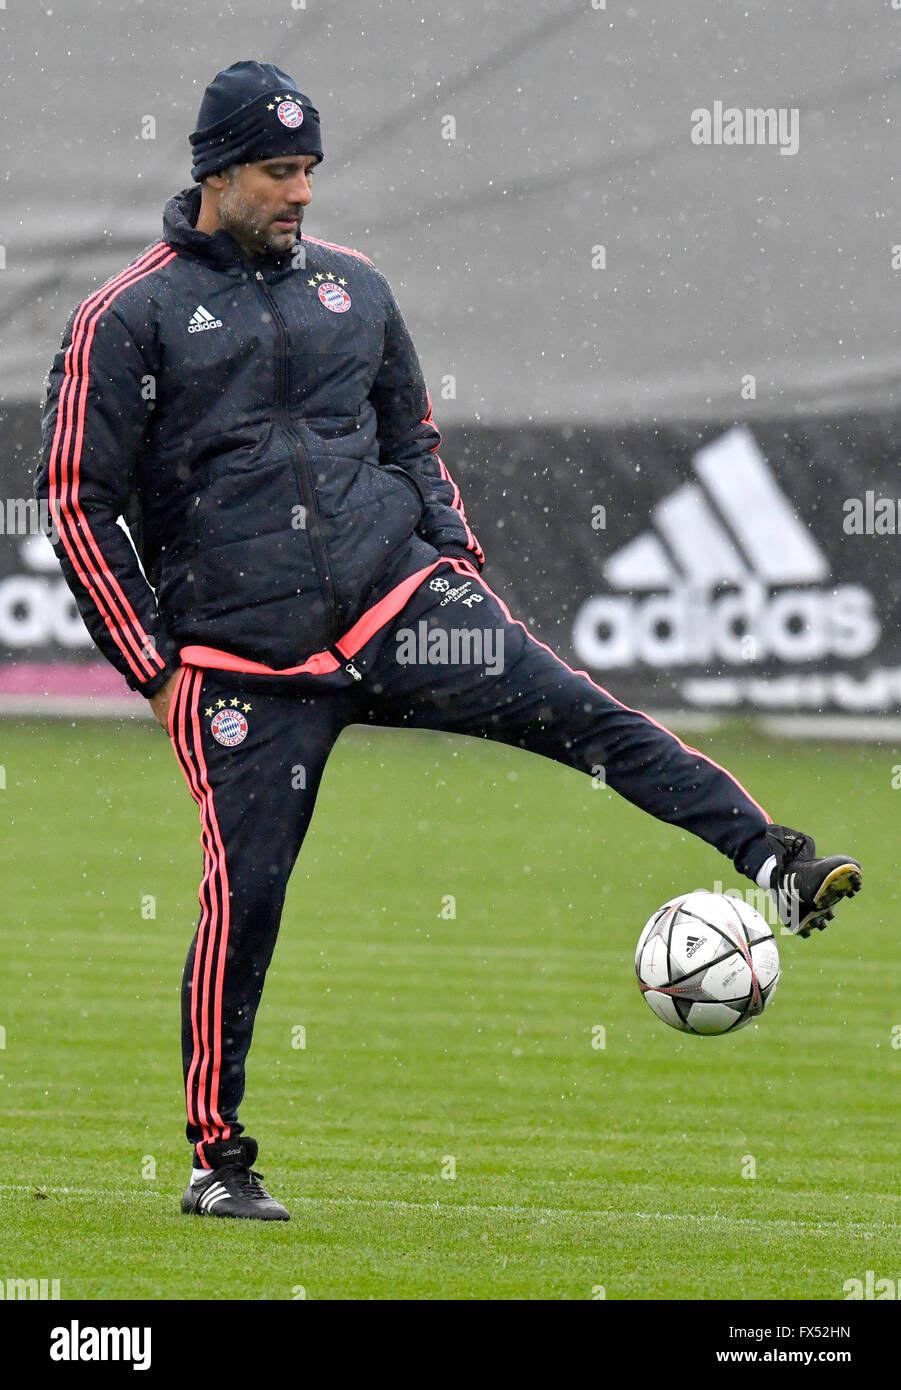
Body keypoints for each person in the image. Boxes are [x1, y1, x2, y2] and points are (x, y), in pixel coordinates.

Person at [34, 60, 862, 1222]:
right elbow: (75, 499)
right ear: (217, 171)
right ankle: (217, 1161)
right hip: (241, 663)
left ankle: (774, 857)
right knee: (249, 892)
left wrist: (455, 567)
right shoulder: (129, 314)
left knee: (589, 715)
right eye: (279, 171)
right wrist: (155, 664)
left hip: (399, 602)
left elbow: (410, 440)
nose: (300, 193)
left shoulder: (355, 291)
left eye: (310, 170)